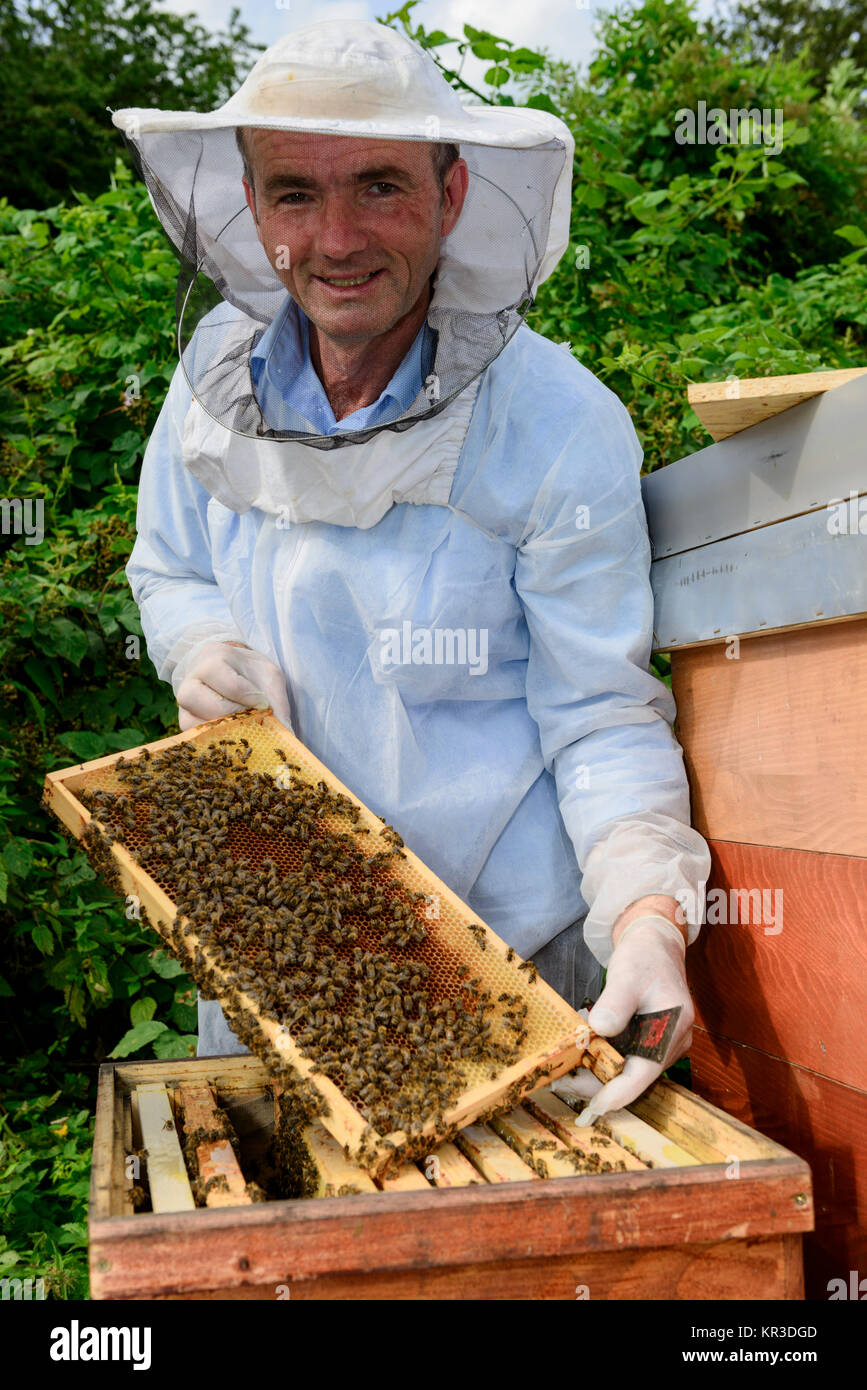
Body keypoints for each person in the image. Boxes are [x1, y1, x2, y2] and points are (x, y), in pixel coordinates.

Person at [116, 19, 711, 1122]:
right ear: (252, 205)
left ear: (452, 194)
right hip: (274, 956)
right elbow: (170, 568)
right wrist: (199, 647)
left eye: (379, 186)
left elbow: (600, 715)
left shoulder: (559, 426)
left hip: (510, 980)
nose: (334, 237)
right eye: (294, 192)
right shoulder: (208, 386)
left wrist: (646, 918)